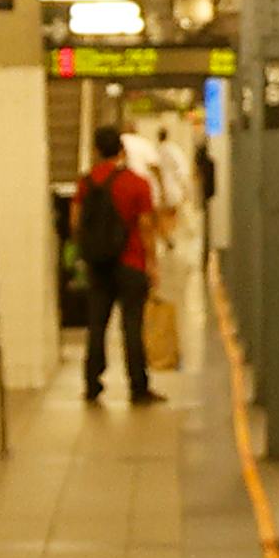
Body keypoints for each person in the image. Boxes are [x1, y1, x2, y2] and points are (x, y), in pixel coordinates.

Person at [67, 128, 162, 406]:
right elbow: (145, 227)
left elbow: (75, 221)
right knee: (132, 325)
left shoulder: (86, 182)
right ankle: (138, 386)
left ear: (97, 151)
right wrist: (152, 264)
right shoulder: (137, 183)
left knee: (97, 324)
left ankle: (92, 383)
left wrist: (90, 248)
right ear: (122, 151)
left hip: (98, 264)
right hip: (131, 262)